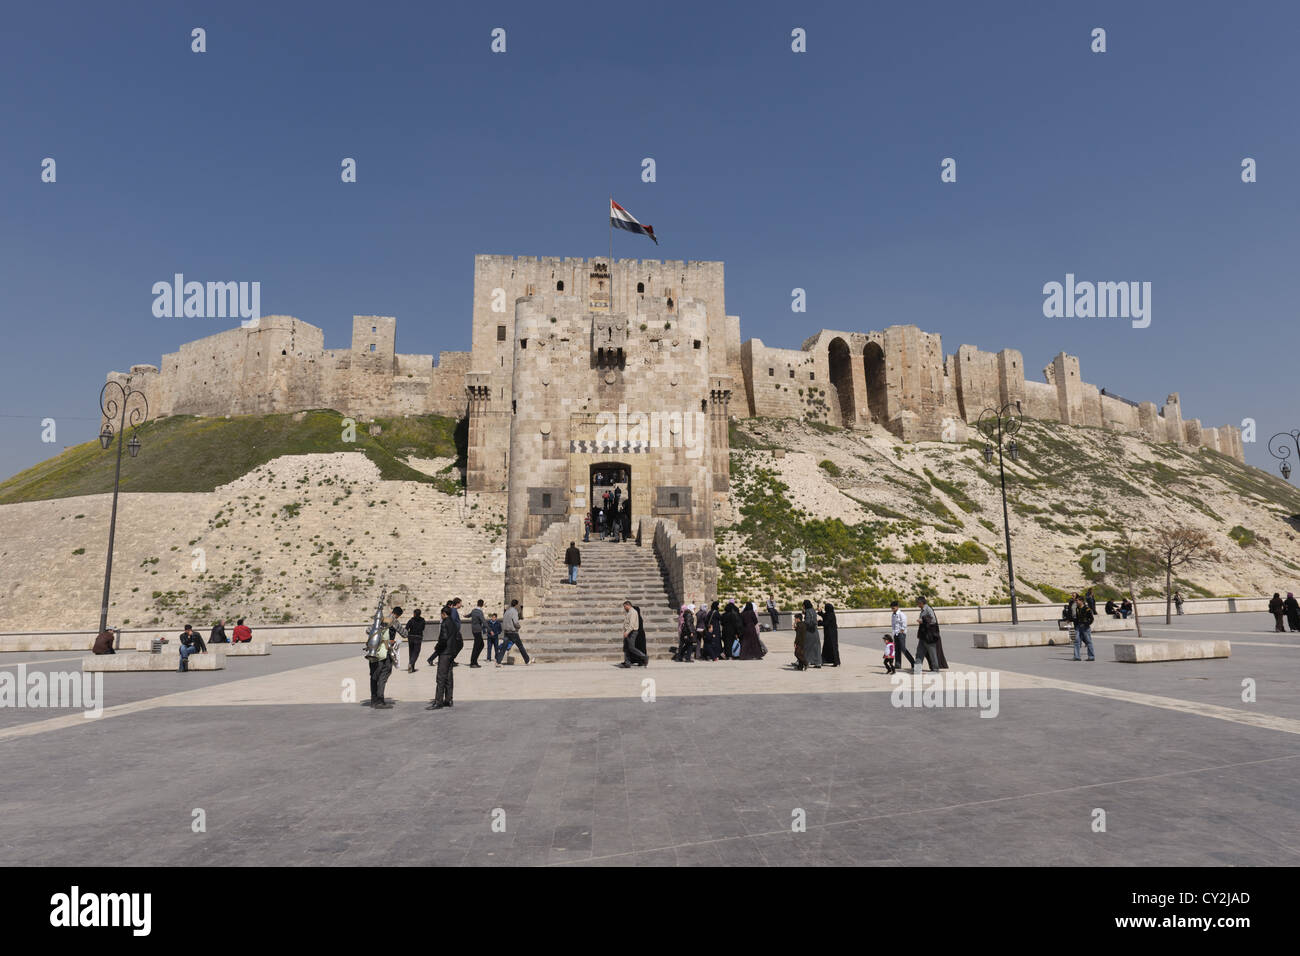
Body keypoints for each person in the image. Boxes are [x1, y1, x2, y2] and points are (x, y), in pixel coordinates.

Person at [426, 606, 463, 710]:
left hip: (445, 653)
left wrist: (437, 648)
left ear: (443, 613)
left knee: (441, 677)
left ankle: (438, 701)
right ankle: (449, 699)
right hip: (451, 653)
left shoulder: (445, 623)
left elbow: (443, 638)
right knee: (449, 676)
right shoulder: (454, 623)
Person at [366, 619, 394, 708]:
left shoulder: (372, 628)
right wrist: (392, 643)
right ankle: (380, 700)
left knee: (374, 678)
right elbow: (386, 643)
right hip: (383, 656)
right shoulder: (385, 630)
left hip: (372, 657)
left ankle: (373, 700)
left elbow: (367, 630)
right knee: (382, 678)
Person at [496, 599, 531, 665]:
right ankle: (527, 660)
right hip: (513, 632)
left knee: (504, 647)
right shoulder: (514, 611)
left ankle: (498, 662)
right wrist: (518, 627)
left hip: (506, 632)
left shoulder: (507, 611)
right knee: (521, 647)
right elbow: (515, 622)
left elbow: (504, 621)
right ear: (516, 605)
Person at [619, 600, 648, 668]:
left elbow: (631, 625)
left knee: (631, 647)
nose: (624, 608)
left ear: (628, 605)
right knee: (626, 648)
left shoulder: (633, 612)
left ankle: (644, 656)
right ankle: (627, 663)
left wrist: (627, 632)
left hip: (631, 632)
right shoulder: (629, 612)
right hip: (629, 632)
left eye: (624, 606)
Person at [914, 598, 940, 672]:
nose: (917, 604)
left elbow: (933, 620)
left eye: (918, 603)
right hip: (923, 635)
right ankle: (917, 669)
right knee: (919, 652)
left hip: (929, 636)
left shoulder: (928, 609)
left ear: (921, 603)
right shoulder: (922, 610)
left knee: (932, 653)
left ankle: (935, 669)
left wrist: (922, 621)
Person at [890, 601, 915, 672]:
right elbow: (893, 624)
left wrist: (902, 630)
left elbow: (904, 623)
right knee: (897, 649)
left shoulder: (901, 614)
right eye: (891, 608)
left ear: (897, 607)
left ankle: (913, 662)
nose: (892, 609)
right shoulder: (893, 615)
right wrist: (894, 633)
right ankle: (898, 664)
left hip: (901, 634)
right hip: (896, 634)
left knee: (903, 648)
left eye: (893, 608)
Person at [1071, 594, 1096, 662]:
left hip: (1085, 628)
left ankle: (1091, 657)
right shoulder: (1077, 609)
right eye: (1076, 600)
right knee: (1076, 641)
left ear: (1081, 601)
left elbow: (1091, 619)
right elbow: (1076, 618)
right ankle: (1077, 656)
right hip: (1078, 627)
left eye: (1077, 600)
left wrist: (1086, 624)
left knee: (1088, 642)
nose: (1076, 602)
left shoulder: (1087, 609)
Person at [801, 600, 822, 668]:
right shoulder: (813, 610)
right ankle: (818, 662)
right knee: (816, 647)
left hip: (809, 632)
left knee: (807, 647)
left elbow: (807, 621)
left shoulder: (807, 611)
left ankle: (806, 661)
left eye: (803, 605)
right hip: (815, 631)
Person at [405, 608, 426, 673]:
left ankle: (412, 667)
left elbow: (406, 628)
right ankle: (411, 664)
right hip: (418, 637)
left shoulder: (411, 620)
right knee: (416, 652)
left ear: (414, 614)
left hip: (411, 637)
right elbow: (423, 628)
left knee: (411, 652)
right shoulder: (422, 620)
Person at [468, 599, 487, 667]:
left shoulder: (474, 611)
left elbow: (469, 615)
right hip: (478, 631)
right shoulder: (479, 612)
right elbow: (484, 621)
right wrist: (490, 630)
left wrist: (465, 616)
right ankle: (473, 662)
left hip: (474, 630)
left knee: (480, 645)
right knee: (477, 646)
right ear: (482, 604)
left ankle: (474, 661)